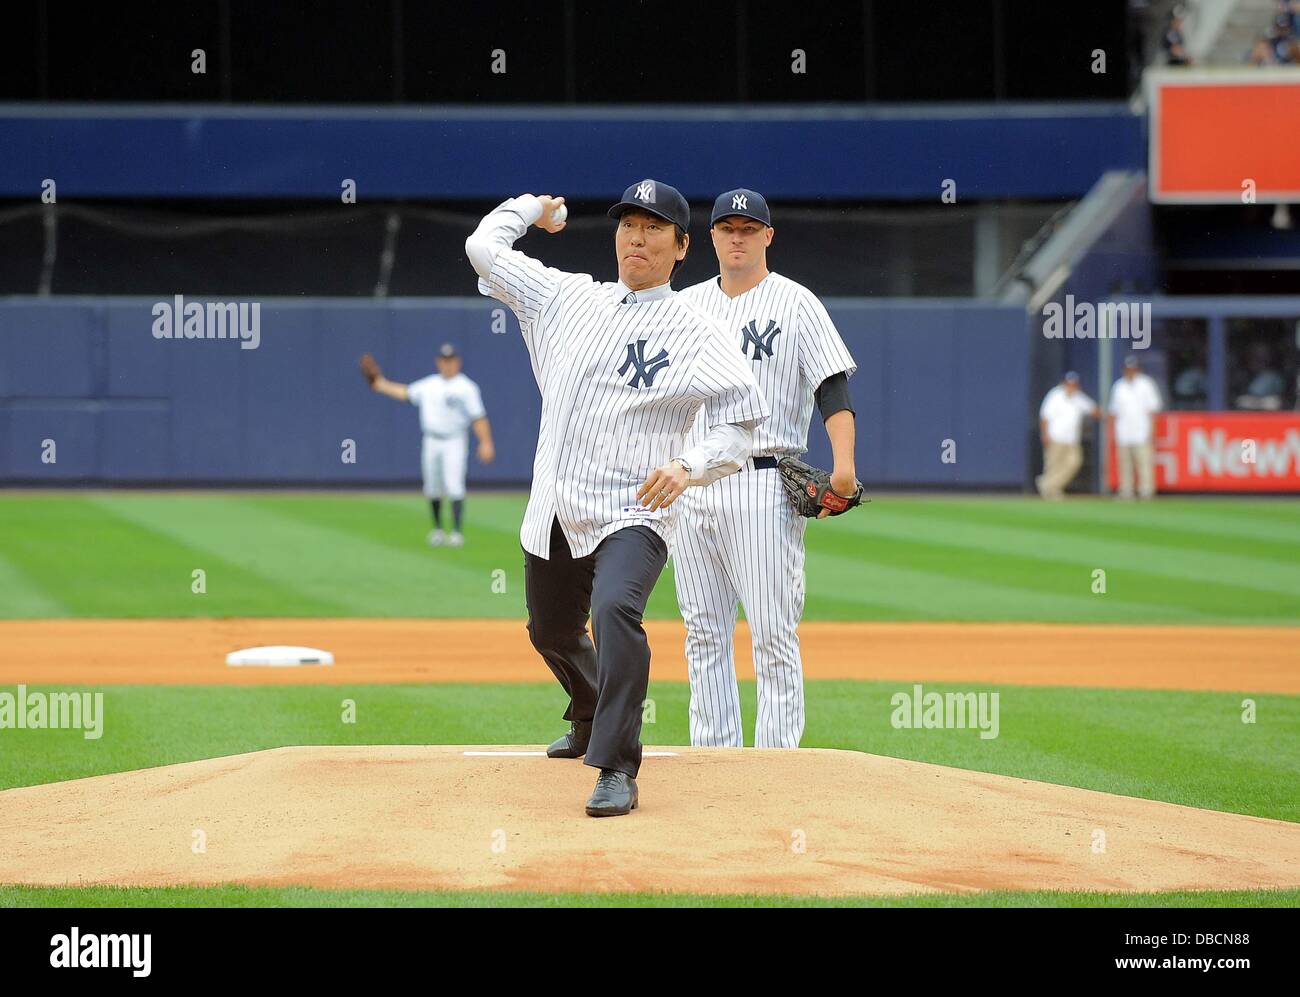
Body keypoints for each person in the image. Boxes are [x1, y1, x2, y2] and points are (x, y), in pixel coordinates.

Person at [464, 180, 769, 817]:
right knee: (549, 631)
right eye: (628, 224)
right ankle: (585, 712)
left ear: (683, 248)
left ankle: (616, 766)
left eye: (655, 228)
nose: (637, 236)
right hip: (553, 501)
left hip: (636, 509)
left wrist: (690, 465)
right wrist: (532, 210)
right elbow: (482, 248)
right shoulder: (566, 297)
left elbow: (741, 425)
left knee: (614, 613)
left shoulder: (694, 327)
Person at [674, 188, 857, 749]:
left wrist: (844, 465)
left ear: (767, 237)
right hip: (692, 484)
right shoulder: (686, 305)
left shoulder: (797, 303)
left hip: (764, 483)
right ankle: (714, 756)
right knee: (703, 634)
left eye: (748, 229)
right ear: (710, 237)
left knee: (772, 633)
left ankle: (777, 765)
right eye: (727, 228)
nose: (736, 236)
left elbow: (831, 385)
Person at [362, 343, 495, 547]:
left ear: (457, 362)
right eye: (444, 361)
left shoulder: (467, 387)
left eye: (451, 361)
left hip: (455, 439)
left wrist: (486, 442)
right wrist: (379, 384)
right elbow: (405, 392)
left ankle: (457, 532)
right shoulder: (429, 385)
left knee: (454, 484)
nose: (447, 364)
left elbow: (479, 417)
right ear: (438, 362)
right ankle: (438, 530)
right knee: (432, 485)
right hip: (431, 439)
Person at [1036, 371, 1098, 499]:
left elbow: (1094, 410)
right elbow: (1044, 417)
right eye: (1069, 384)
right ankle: (1052, 490)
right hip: (1056, 438)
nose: (1071, 386)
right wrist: (1045, 434)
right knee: (1053, 465)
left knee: (1074, 462)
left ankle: (1047, 484)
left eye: (1073, 384)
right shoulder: (1055, 395)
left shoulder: (1078, 397)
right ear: (1064, 383)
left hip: (1071, 440)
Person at [1109, 356, 1162, 500]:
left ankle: (1146, 491)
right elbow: (1114, 411)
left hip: (1141, 430)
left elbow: (1153, 409)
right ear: (1124, 370)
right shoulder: (1118, 386)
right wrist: (1112, 432)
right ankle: (1126, 491)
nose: (1130, 372)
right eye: (1128, 369)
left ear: (1137, 370)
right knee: (1125, 465)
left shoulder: (1146, 384)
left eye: (1133, 369)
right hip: (1124, 431)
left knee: (1144, 463)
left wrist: (1153, 430)